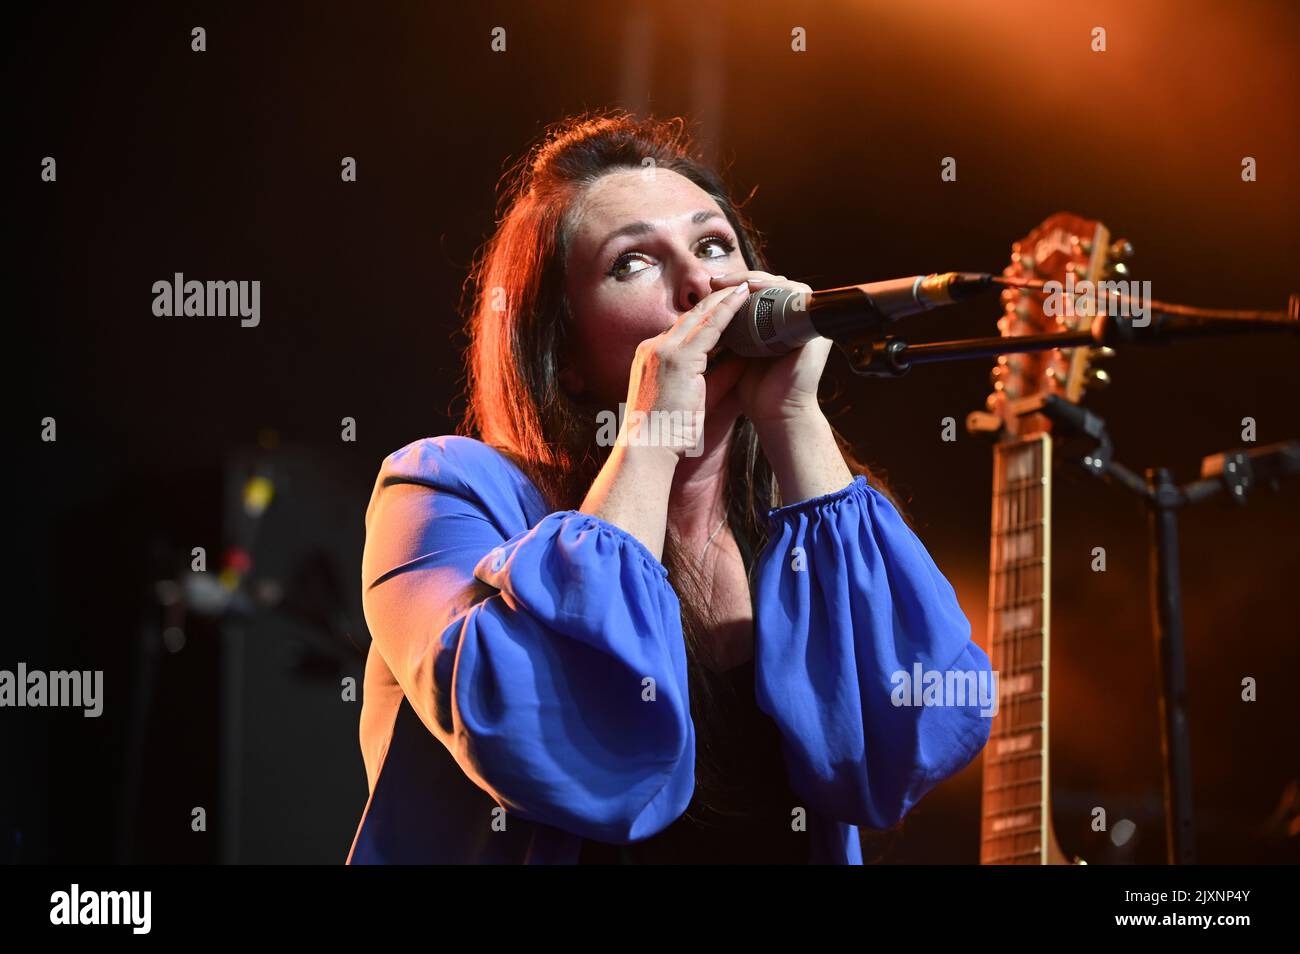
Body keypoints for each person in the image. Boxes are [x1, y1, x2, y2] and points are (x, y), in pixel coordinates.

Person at [345, 109, 992, 864]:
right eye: (633, 263)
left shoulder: (801, 522)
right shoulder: (443, 494)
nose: (700, 283)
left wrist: (796, 419)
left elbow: (910, 743)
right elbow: (537, 741)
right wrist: (651, 434)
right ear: (566, 355)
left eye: (714, 245)